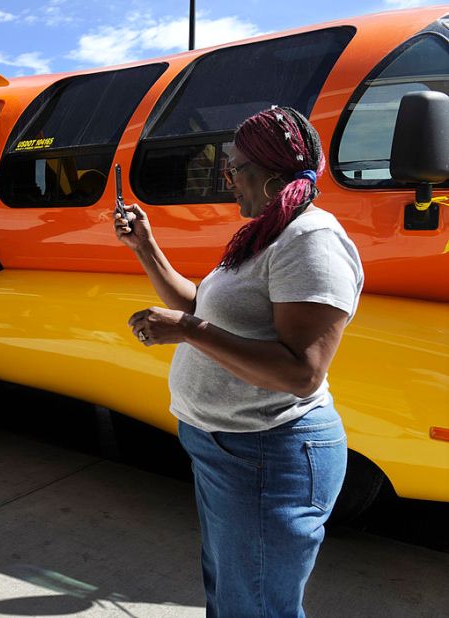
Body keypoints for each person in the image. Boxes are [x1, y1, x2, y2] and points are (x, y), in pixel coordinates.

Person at [114, 107, 363, 617]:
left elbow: (300, 372)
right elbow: (200, 304)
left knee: (254, 606)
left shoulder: (311, 239)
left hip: (270, 453)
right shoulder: (265, 234)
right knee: (231, 594)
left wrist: (185, 332)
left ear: (271, 172)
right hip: (224, 448)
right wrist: (146, 246)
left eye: (232, 167)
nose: (226, 180)